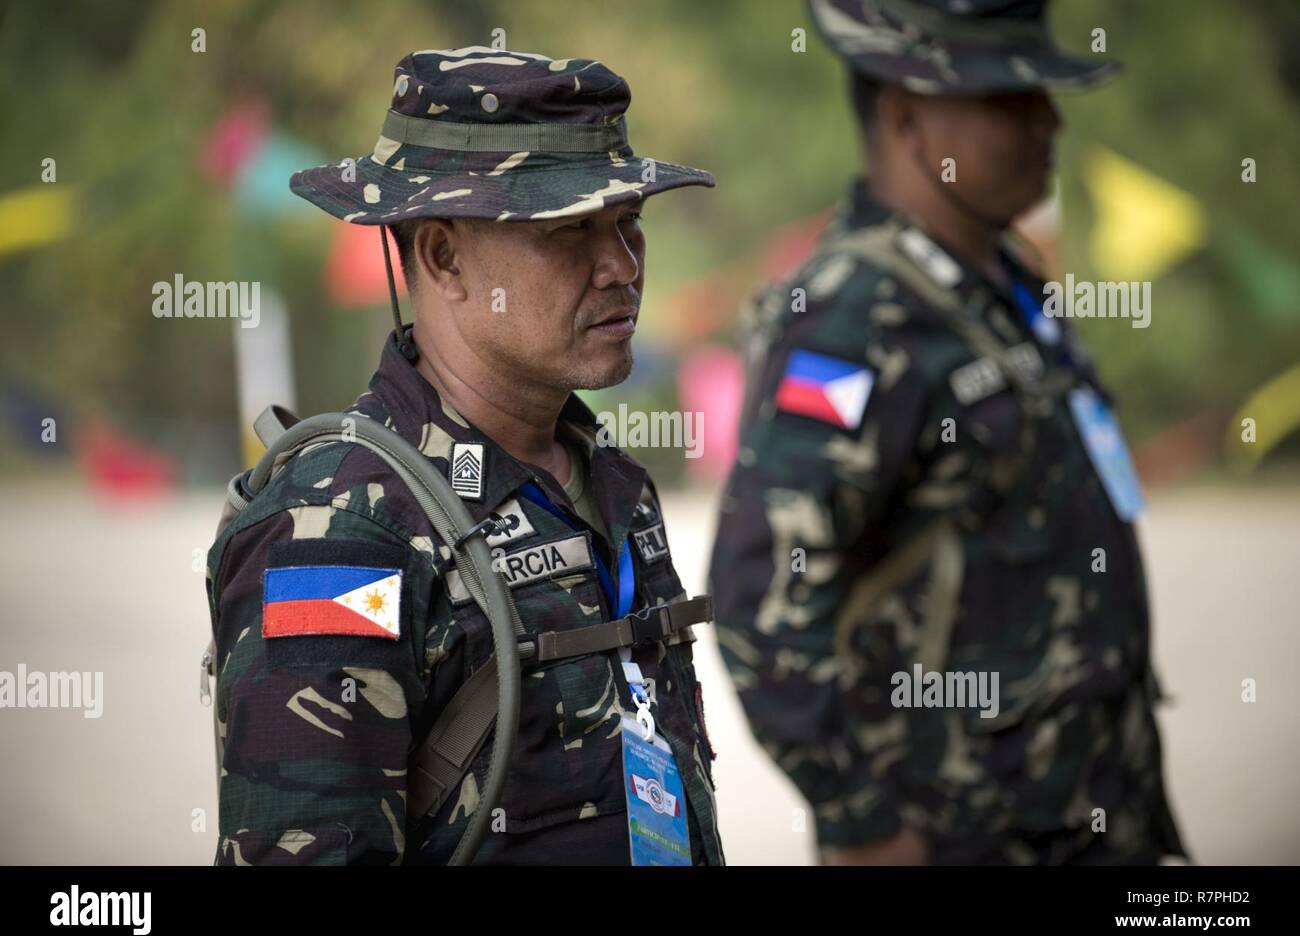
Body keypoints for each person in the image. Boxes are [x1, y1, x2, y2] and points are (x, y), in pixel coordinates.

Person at [205, 46, 723, 865]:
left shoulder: (610, 482)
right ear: (444, 257)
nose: (621, 266)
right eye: (571, 231)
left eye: (630, 224)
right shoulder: (339, 529)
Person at [709, 0, 1185, 865]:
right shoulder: (854, 313)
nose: (1048, 120)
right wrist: (860, 823)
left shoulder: (1000, 285)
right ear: (905, 118)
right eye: (1008, 98)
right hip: (962, 834)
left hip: (1090, 813)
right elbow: (762, 601)